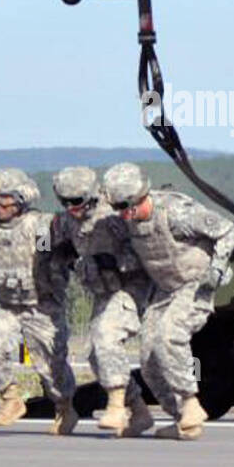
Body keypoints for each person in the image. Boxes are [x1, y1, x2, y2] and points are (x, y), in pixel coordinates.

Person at [100, 163, 234, 440]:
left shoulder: (176, 212)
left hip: (196, 285)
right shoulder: (129, 223)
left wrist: (217, 269)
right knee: (149, 359)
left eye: (128, 206)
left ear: (141, 195)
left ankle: (191, 402)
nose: (125, 214)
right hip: (165, 290)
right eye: (119, 208)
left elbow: (226, 231)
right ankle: (183, 420)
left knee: (168, 337)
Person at [0, 168, 77, 434]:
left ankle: (65, 408)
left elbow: (55, 255)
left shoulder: (40, 227)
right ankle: (11, 399)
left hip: (41, 306)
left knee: (52, 366)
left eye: (6, 199)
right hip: (4, 305)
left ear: (21, 200)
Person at [51, 166, 154, 437]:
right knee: (97, 355)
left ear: (92, 197)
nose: (71, 208)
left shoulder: (115, 218)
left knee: (106, 336)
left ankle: (117, 405)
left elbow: (147, 252)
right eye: (65, 202)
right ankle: (140, 411)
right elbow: (45, 241)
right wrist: (57, 253)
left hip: (132, 287)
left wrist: (117, 263)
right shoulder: (65, 221)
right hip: (102, 292)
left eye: (77, 201)